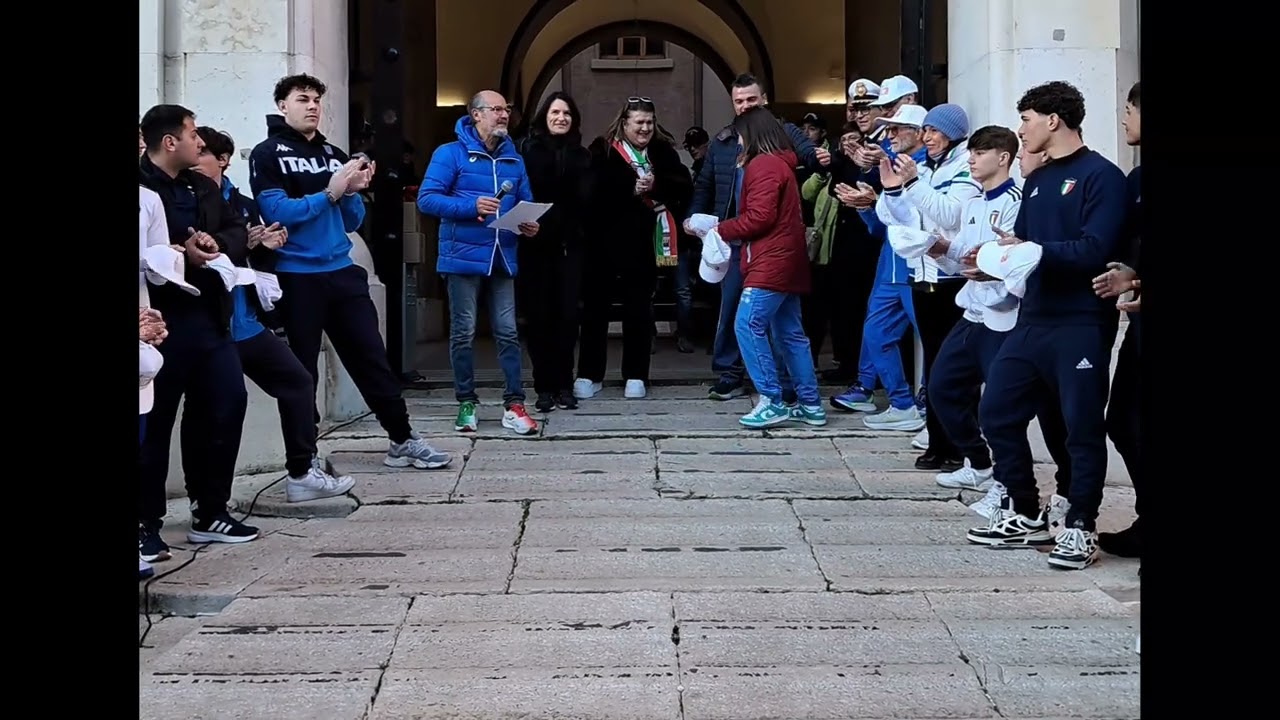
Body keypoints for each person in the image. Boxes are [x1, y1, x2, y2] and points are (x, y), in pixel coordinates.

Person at [965, 81, 1129, 571]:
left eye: (1027, 119)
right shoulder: (1036, 180)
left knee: (1080, 426)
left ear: (1053, 119)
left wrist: (1031, 252)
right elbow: (1032, 247)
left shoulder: (1103, 176)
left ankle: (1080, 523)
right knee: (995, 410)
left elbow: (1094, 248)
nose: (1021, 131)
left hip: (1080, 322)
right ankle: (1022, 506)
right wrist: (997, 259)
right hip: (1032, 318)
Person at [249, 74, 452, 465]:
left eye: (317, 100)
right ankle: (304, 460)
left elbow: (351, 221)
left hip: (342, 272)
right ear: (282, 105)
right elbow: (276, 212)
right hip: (296, 275)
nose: (312, 106)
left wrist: (353, 191)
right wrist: (331, 191)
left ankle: (402, 438)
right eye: (302, 99)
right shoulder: (267, 153)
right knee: (302, 369)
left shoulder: (332, 152)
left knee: (371, 357)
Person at [194, 126, 357, 501]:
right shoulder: (186, 199)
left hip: (247, 323)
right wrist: (241, 245)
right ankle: (207, 504)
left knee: (298, 382)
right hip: (210, 326)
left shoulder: (243, 203)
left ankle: (301, 472)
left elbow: (254, 259)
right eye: (194, 146)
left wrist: (263, 245)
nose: (195, 156)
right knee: (221, 407)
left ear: (222, 160)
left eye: (203, 150)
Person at [138, 104, 258, 549]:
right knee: (154, 422)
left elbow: (237, 230)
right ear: (170, 141)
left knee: (226, 404)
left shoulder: (205, 185)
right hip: (157, 323)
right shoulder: (143, 190)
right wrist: (178, 253)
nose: (200, 143)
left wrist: (214, 243)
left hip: (209, 318)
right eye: (193, 135)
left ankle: (210, 510)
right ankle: (145, 522)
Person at [687, 73, 826, 401]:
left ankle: (775, 394)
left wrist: (823, 159)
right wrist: (693, 217)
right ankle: (790, 394)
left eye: (751, 99)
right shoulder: (724, 142)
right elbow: (705, 185)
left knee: (753, 322)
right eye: (739, 101)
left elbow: (763, 214)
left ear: (763, 99)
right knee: (744, 312)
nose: (746, 106)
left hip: (762, 242)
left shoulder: (775, 148)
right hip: (743, 242)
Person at [416, 90, 540, 434]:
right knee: (463, 332)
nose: (504, 115)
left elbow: (526, 200)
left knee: (508, 331)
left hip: (503, 255)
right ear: (476, 114)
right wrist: (471, 207)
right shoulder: (450, 153)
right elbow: (427, 200)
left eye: (507, 109)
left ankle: (515, 404)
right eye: (497, 109)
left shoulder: (514, 157)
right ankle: (466, 401)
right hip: (462, 258)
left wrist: (530, 223)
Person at [881, 103, 982, 463]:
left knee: (951, 371)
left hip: (952, 278)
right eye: (925, 131)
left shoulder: (961, 167)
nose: (927, 138)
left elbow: (948, 214)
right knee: (934, 368)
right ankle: (940, 443)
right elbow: (902, 216)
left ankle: (961, 447)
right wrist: (892, 191)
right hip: (923, 276)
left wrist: (911, 183)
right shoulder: (924, 167)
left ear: (952, 133)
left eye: (934, 132)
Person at [713, 107, 826, 428]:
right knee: (790, 333)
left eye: (739, 137)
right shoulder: (780, 163)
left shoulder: (762, 165)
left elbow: (760, 218)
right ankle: (810, 403)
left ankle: (772, 399)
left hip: (770, 262)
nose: (737, 144)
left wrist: (722, 229)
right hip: (787, 260)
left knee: (746, 325)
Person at [576, 97, 693, 400]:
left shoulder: (662, 151)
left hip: (643, 244)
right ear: (624, 123)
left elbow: (683, 184)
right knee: (595, 311)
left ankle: (637, 376)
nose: (645, 128)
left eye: (650, 122)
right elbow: (589, 192)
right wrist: (629, 188)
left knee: (639, 311)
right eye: (639, 122)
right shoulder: (601, 149)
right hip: (602, 244)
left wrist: (655, 186)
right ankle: (590, 374)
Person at [517, 91, 592, 413]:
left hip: (571, 246)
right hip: (534, 246)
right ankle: (543, 386)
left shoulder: (583, 155)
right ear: (544, 117)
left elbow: (589, 201)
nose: (560, 118)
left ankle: (564, 384)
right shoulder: (527, 152)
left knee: (568, 317)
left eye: (566, 113)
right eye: (555, 113)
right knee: (538, 318)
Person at [1093, 80, 1142, 559]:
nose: (1124, 119)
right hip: (1138, 326)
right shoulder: (1136, 180)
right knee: (1123, 422)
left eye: (1129, 109)